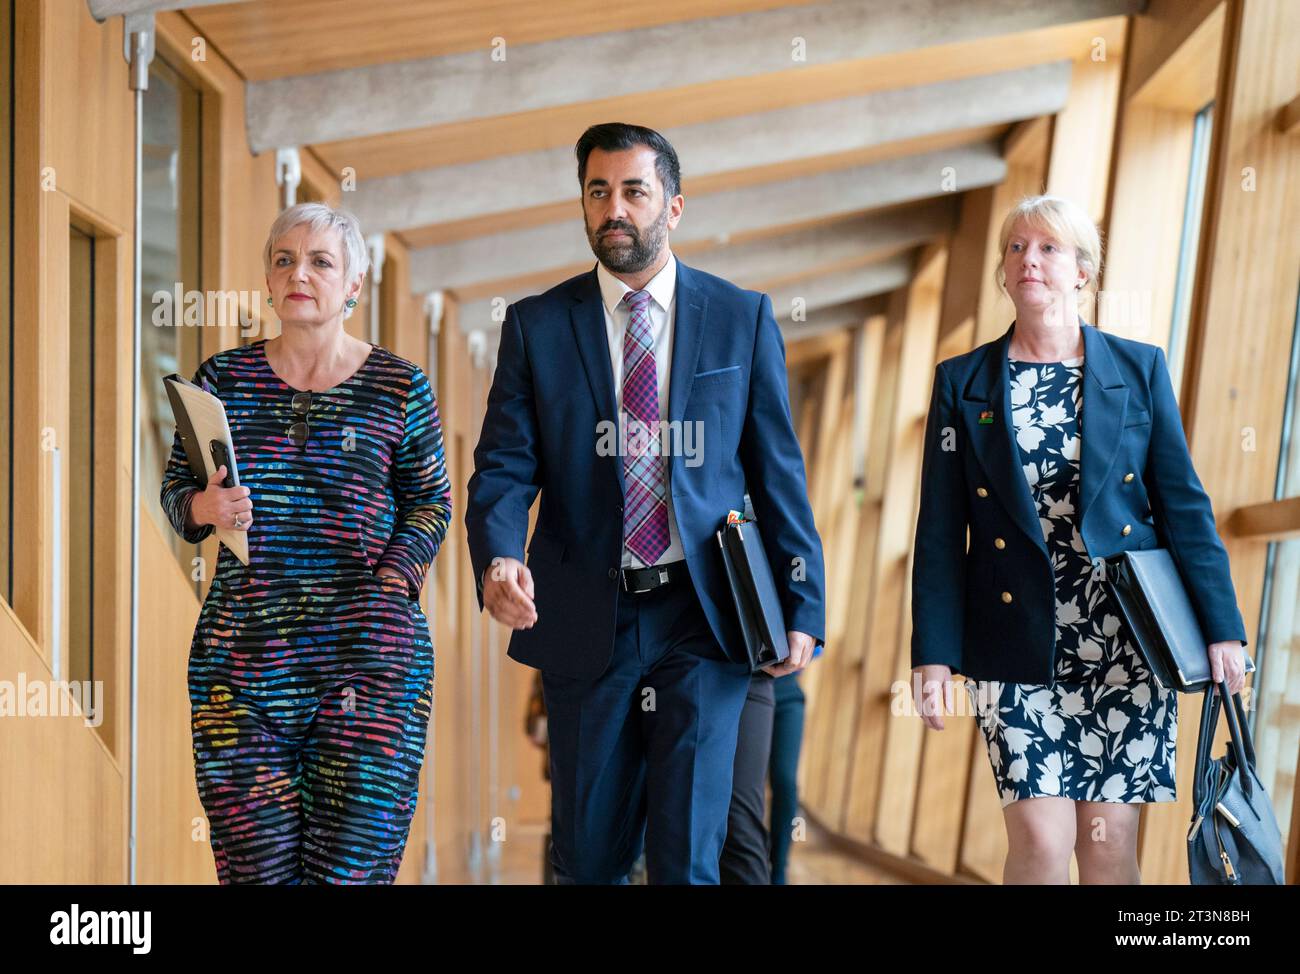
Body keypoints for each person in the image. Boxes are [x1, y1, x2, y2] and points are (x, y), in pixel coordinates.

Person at [466, 122, 825, 884]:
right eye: (598, 192)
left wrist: (804, 600)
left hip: (705, 614)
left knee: (689, 855)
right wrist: (499, 554)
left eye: (634, 190)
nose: (614, 209)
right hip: (588, 613)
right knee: (589, 857)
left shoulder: (742, 317)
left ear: (675, 206)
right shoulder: (538, 324)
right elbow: (503, 464)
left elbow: (776, 470)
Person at [909, 193, 1248, 885]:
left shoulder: (1139, 368)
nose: (1028, 259)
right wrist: (934, 655)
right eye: (1015, 248)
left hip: (1126, 640)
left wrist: (1224, 629)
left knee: (1107, 843)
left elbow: (1184, 508)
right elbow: (942, 530)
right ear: (1003, 273)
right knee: (1039, 836)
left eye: (1048, 248)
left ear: (1083, 272)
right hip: (1015, 637)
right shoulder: (962, 381)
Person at [159, 202, 452, 884]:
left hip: (369, 660)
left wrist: (391, 583)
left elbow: (431, 501)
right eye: (285, 260)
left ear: (353, 285)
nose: (300, 273)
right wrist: (206, 504)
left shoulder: (399, 386)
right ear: (268, 280)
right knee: (255, 871)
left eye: (321, 262)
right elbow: (179, 494)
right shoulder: (221, 381)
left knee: (349, 869)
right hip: (243, 659)